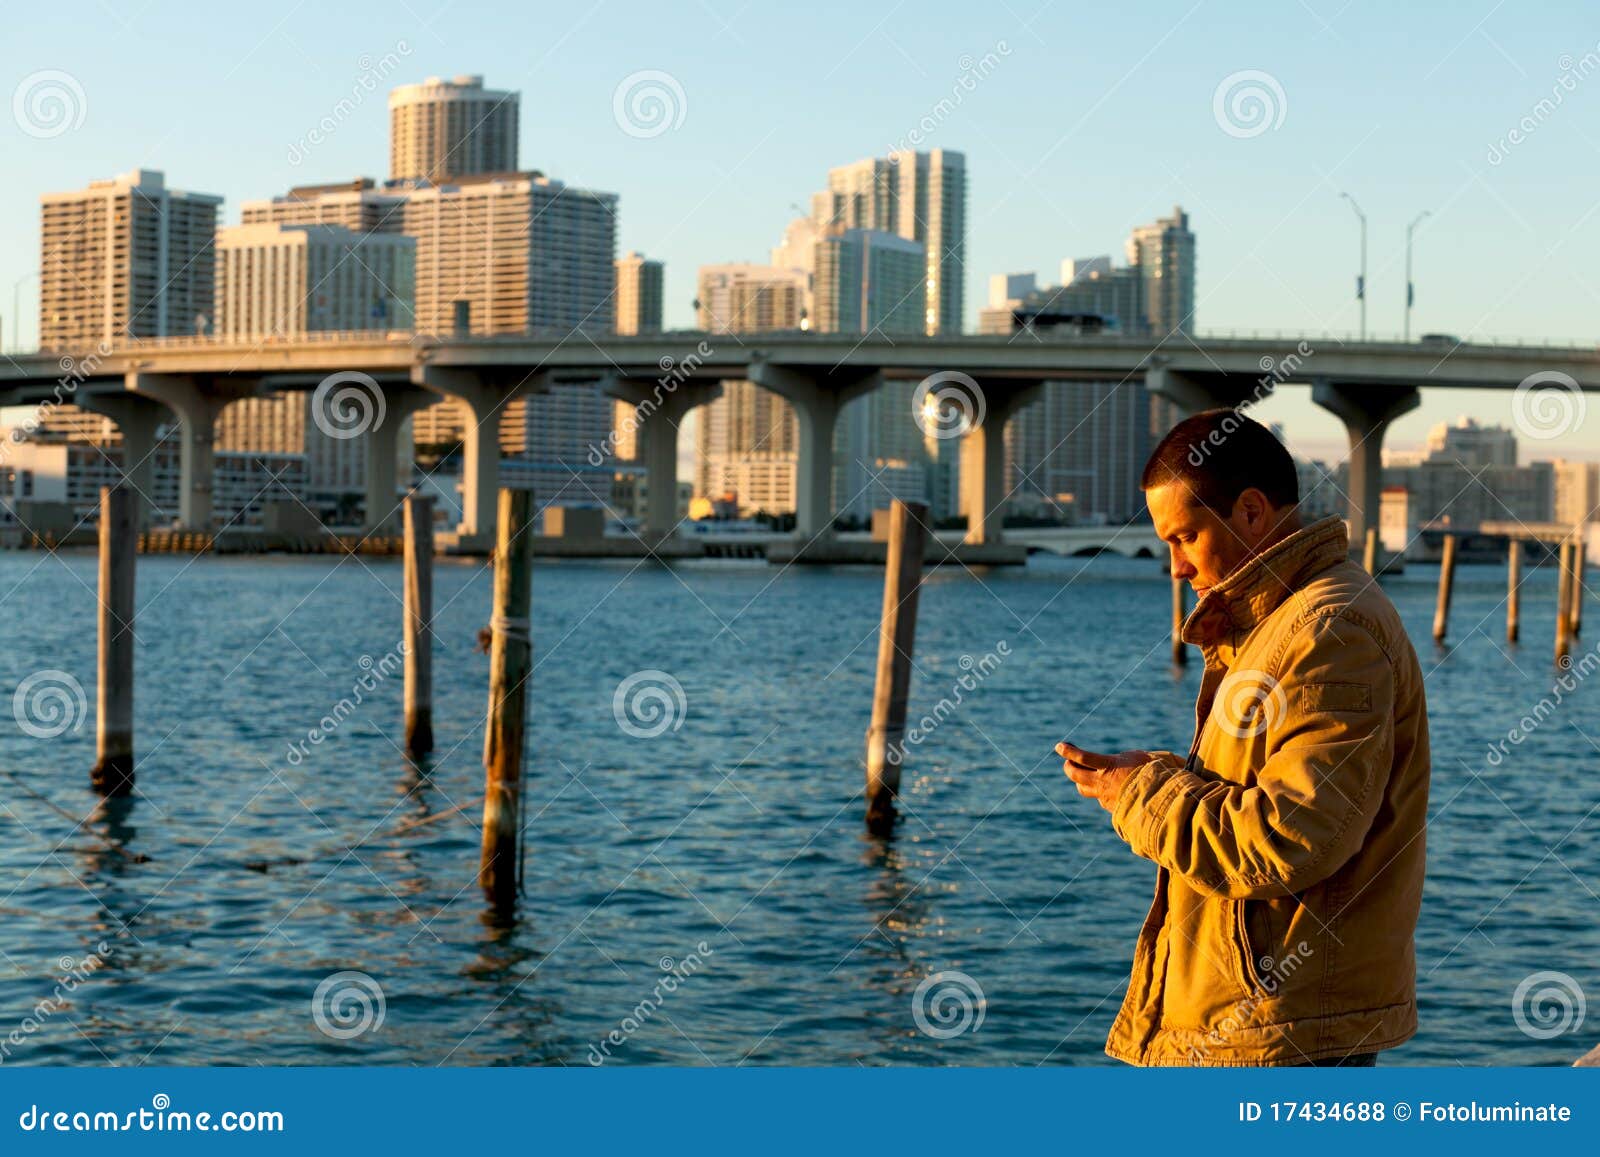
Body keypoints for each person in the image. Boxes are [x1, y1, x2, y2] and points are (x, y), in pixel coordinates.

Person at [1059, 410, 1430, 1067]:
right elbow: (1269, 789)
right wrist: (1161, 771)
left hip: (1282, 1035)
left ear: (1252, 511)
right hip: (1264, 1021)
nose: (1174, 566)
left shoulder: (1327, 632)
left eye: (1186, 536)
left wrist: (1139, 794)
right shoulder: (1280, 624)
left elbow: (1288, 838)